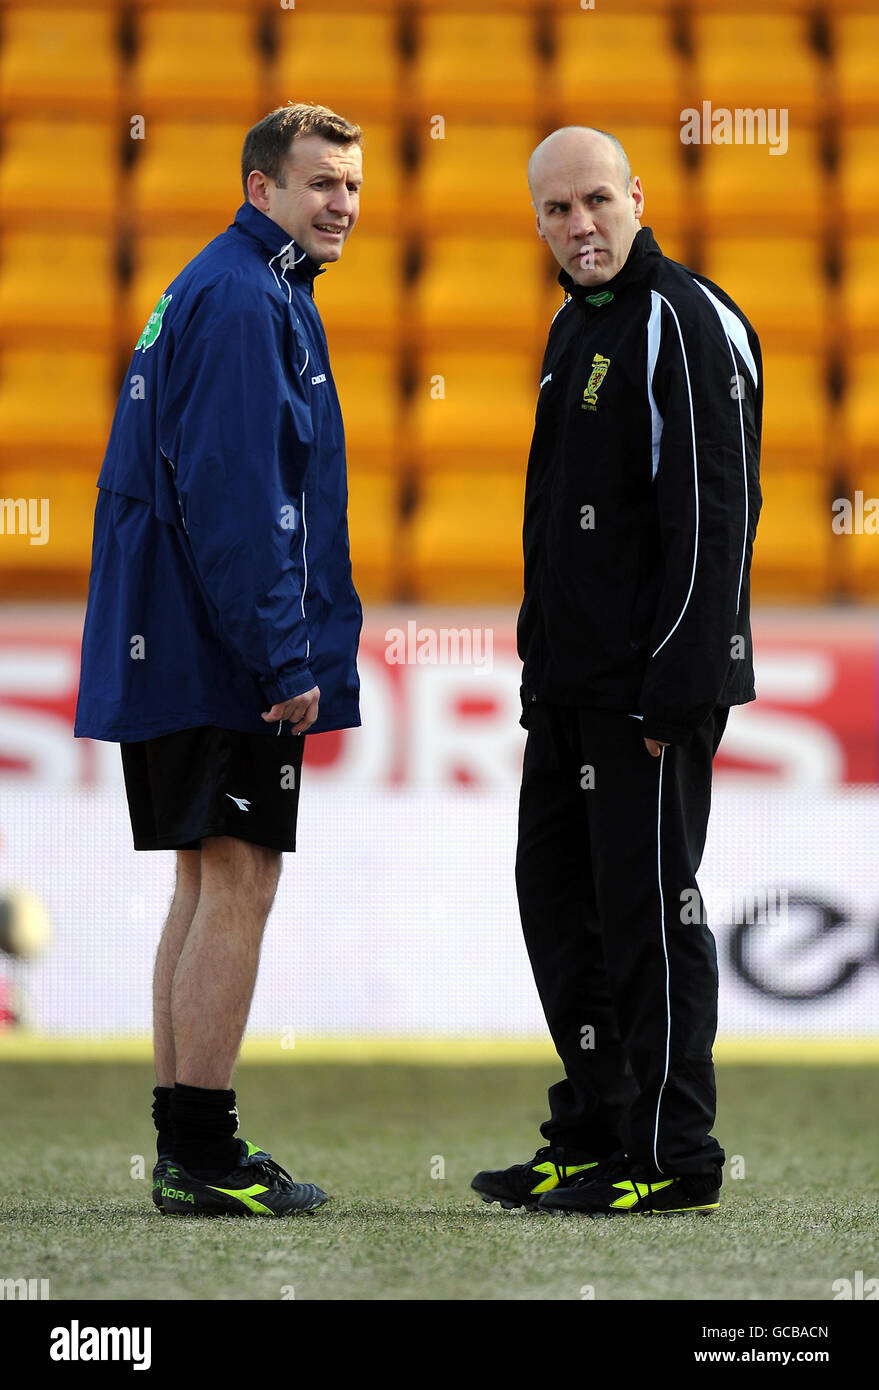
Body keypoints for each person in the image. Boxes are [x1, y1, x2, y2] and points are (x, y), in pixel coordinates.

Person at [74, 103, 365, 1217]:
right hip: (214, 646)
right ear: (261, 189)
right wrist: (283, 655)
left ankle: (183, 1144)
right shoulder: (248, 299)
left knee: (204, 876)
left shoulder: (232, 284)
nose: (341, 203)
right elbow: (239, 498)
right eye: (319, 182)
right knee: (240, 874)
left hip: (171, 637)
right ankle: (201, 1152)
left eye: (351, 184)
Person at [472, 126, 762, 1217]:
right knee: (561, 909)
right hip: (570, 689)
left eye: (596, 199)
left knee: (649, 917)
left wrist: (677, 685)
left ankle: (673, 1153)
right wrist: (541, 665)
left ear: (637, 195)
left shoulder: (683, 319)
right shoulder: (575, 321)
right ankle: (598, 1126)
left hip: (650, 690)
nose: (579, 224)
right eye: (556, 209)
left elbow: (715, 515)